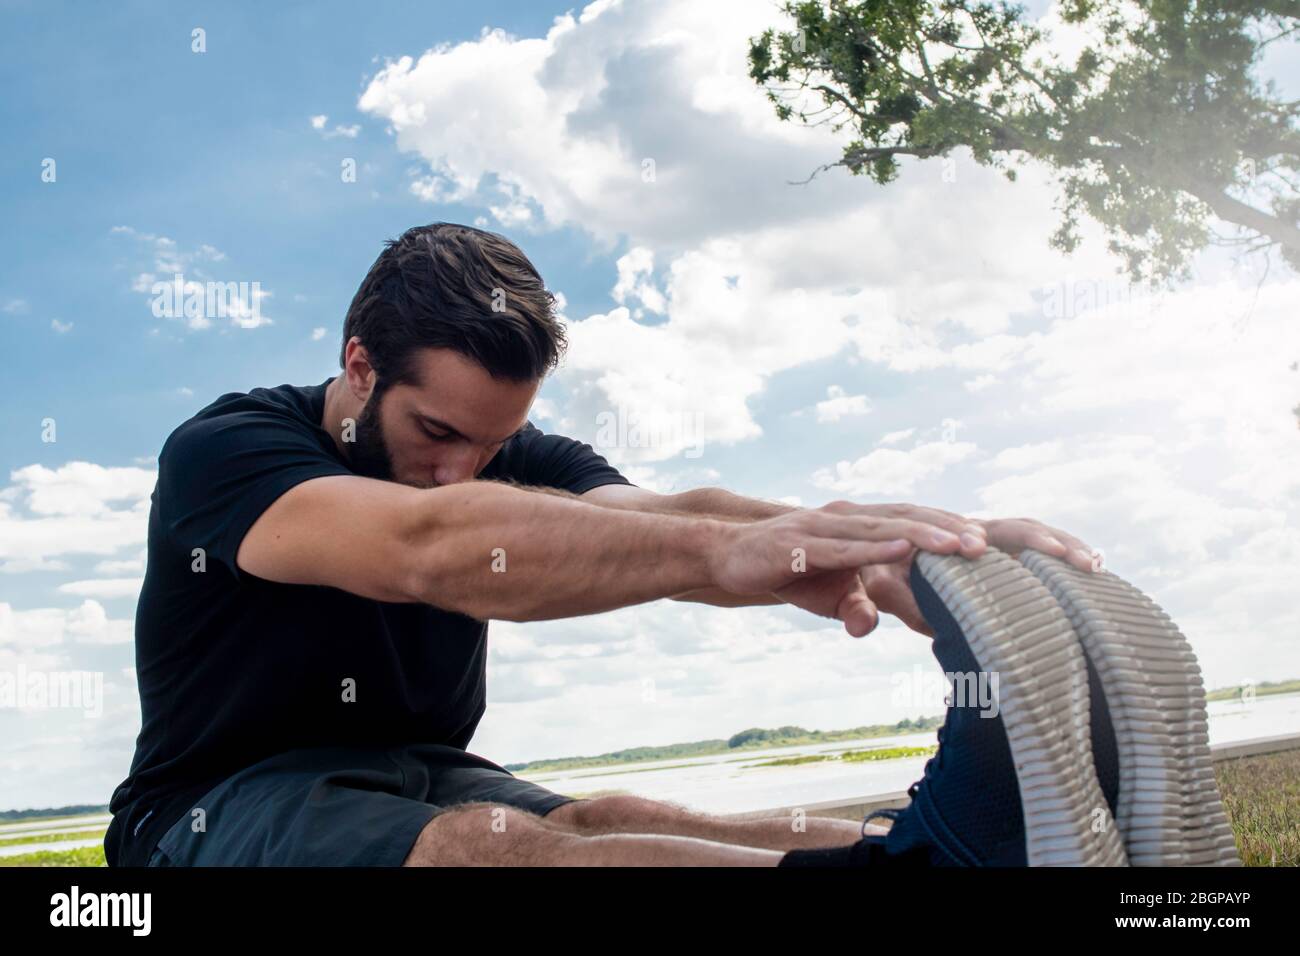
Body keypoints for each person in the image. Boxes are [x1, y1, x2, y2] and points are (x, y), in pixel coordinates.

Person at [104, 222, 1101, 867]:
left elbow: (659, 516)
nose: (463, 469)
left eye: (491, 442)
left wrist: (900, 544)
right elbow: (424, 544)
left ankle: (933, 852)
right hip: (213, 802)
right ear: (359, 365)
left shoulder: (499, 452)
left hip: (422, 762)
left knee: (614, 815)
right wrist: (716, 555)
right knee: (485, 850)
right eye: (436, 432)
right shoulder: (227, 451)